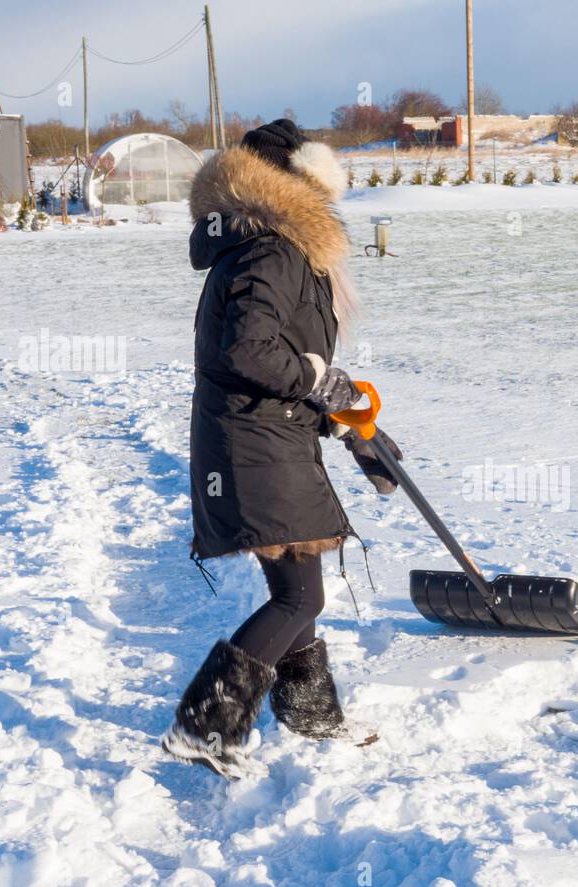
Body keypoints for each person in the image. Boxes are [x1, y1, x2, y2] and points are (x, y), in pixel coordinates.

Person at [161, 119, 400, 778]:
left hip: (266, 437)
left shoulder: (256, 247)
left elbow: (276, 357)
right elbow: (248, 351)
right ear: (291, 187)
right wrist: (319, 380)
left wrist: (334, 409)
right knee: (298, 598)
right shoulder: (273, 251)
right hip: (255, 445)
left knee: (301, 589)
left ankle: (310, 714)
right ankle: (206, 725)